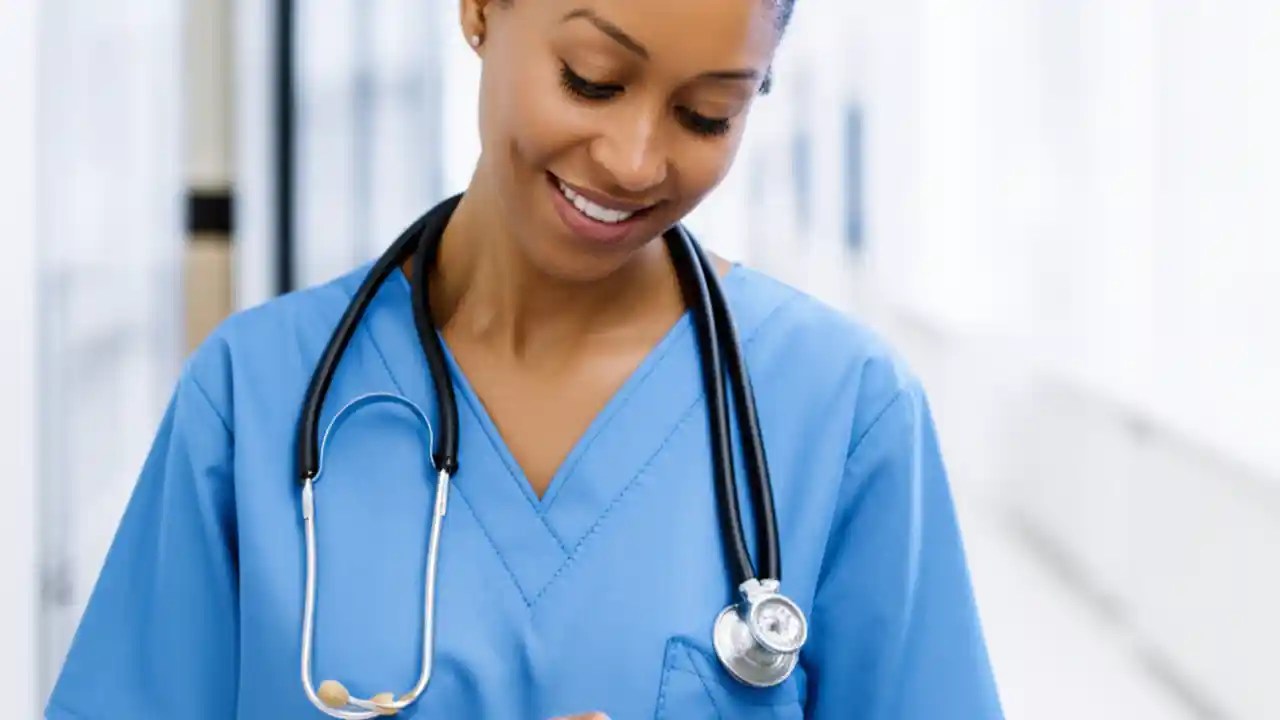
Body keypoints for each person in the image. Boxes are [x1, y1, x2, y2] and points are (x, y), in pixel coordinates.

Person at [46, 1, 1003, 718]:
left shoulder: (841, 413)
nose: (634, 160)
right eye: (591, 78)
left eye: (707, 116)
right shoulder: (254, 398)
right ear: (479, 9)